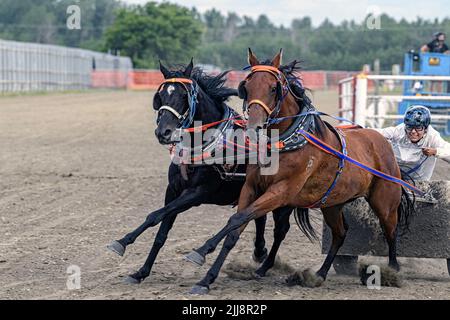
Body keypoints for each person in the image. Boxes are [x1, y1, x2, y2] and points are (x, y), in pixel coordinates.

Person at [374, 105, 450, 182]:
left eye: (418, 128)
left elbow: (448, 149)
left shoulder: (432, 136)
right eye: (409, 127)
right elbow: (376, 132)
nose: (413, 132)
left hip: (419, 182)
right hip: (395, 177)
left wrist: (435, 151)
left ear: (426, 128)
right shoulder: (398, 131)